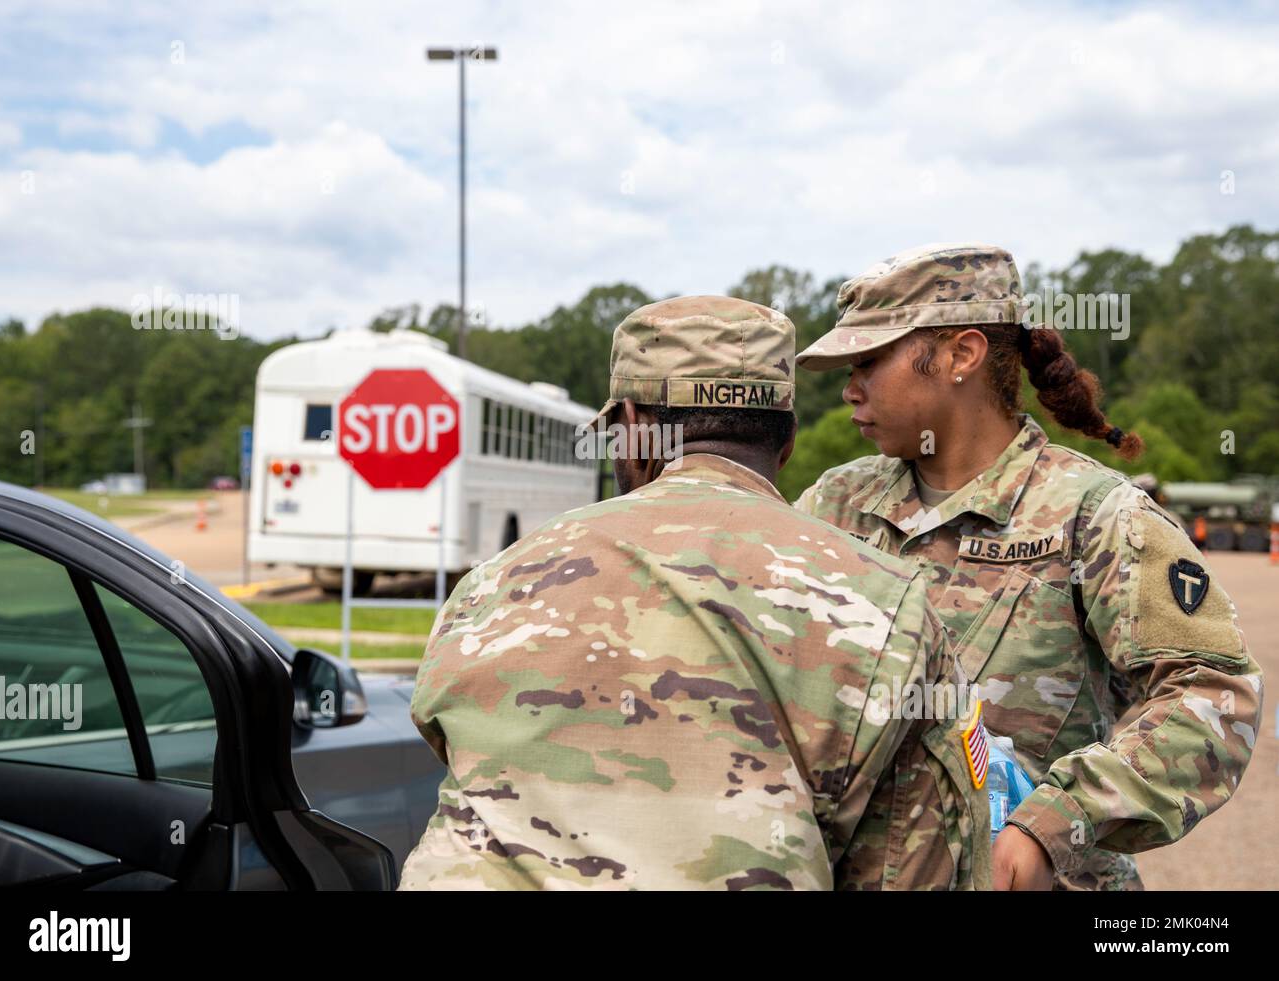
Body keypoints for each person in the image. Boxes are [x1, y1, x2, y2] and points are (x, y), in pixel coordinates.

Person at [399, 295, 989, 891]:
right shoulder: (894, 612)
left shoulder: (496, 581)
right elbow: (912, 865)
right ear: (785, 443)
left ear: (632, 427)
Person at [794, 243, 1264, 890]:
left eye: (870, 361)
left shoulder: (1094, 516)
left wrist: (1061, 816)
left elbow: (1216, 693)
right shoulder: (833, 504)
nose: (849, 388)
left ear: (961, 354)